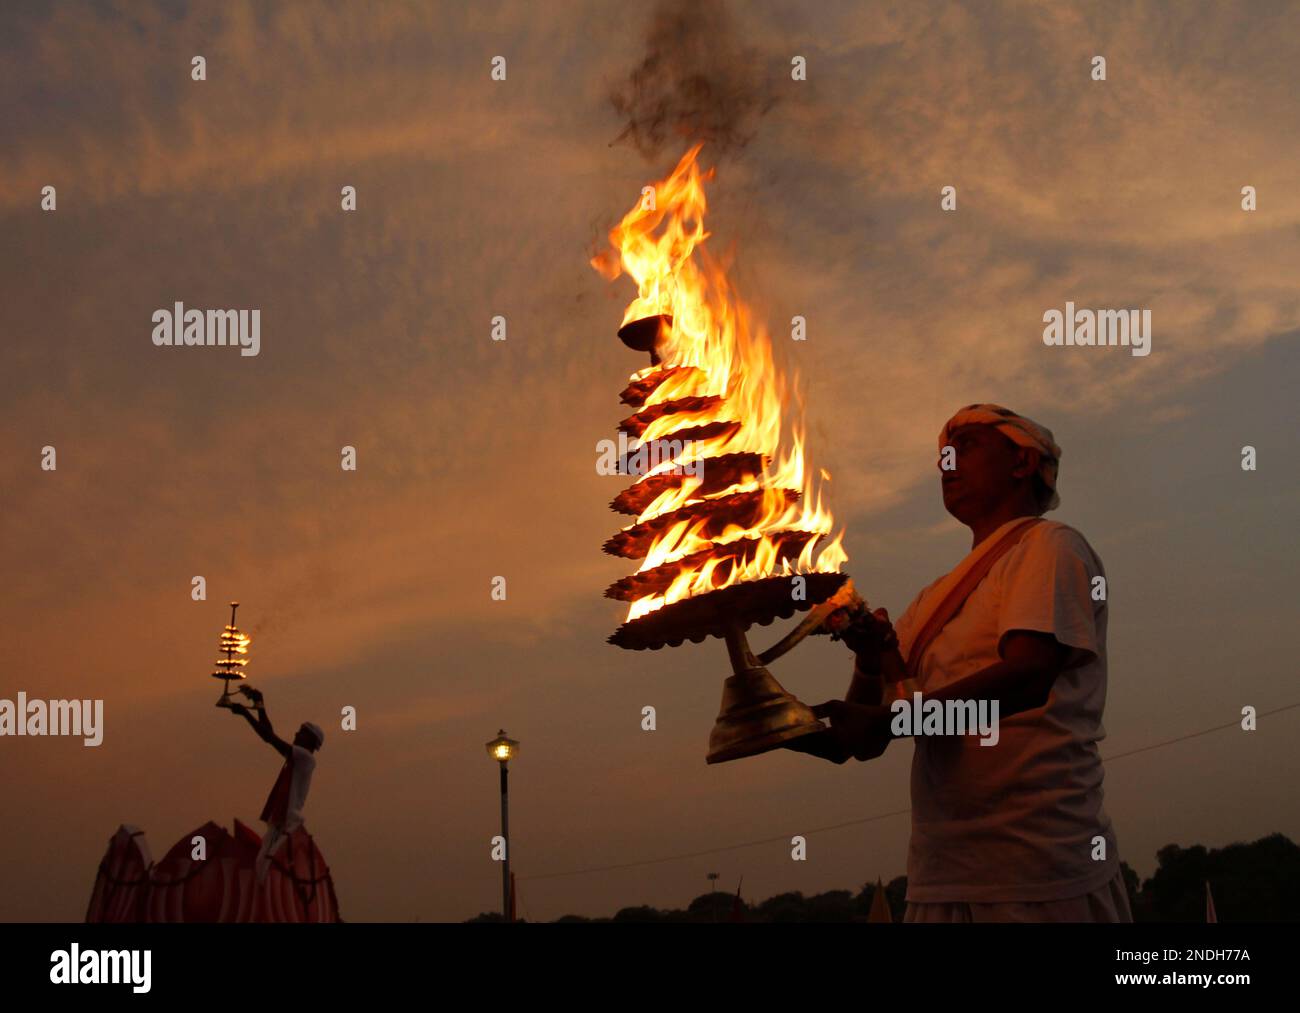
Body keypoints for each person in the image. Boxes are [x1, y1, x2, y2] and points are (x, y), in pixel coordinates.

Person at [787, 403, 1131, 922]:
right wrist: (781, 717)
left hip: (1038, 873)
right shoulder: (930, 602)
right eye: (942, 454)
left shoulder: (1049, 546)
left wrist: (894, 719)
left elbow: (1027, 678)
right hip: (938, 878)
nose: (946, 461)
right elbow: (860, 741)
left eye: (965, 446)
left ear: (1022, 463)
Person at [229, 688, 324, 884]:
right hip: (279, 824)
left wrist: (246, 713)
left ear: (310, 741)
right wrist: (260, 705)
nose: (296, 734)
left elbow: (269, 738)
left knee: (265, 871)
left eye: (301, 732)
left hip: (288, 825)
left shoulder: (305, 758)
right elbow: (269, 735)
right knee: (260, 868)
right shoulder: (297, 758)